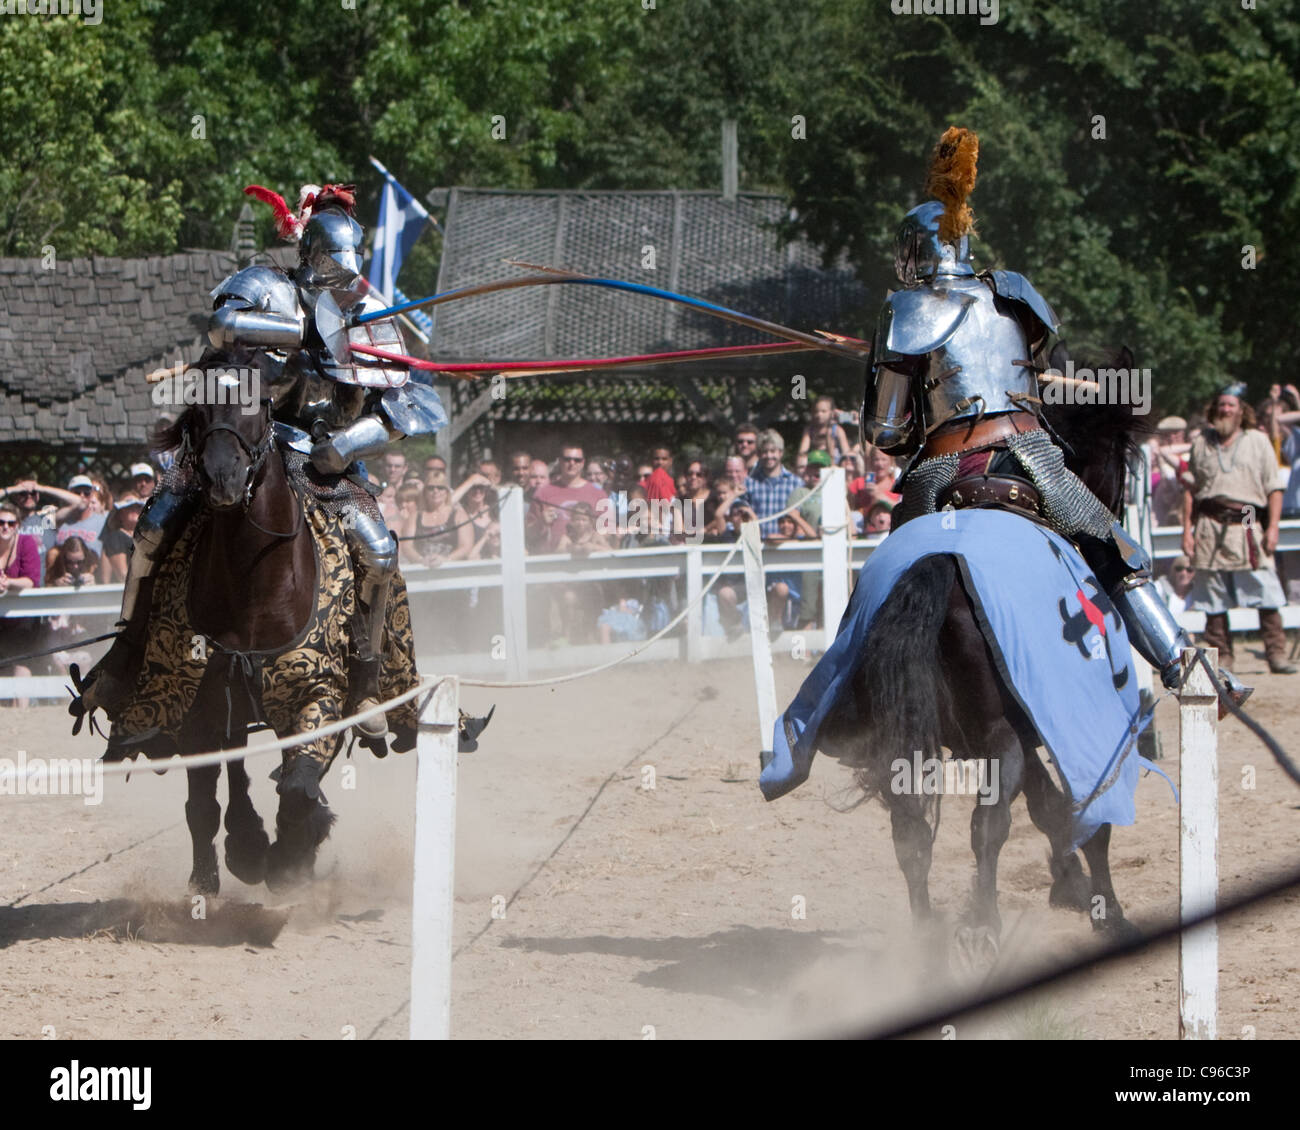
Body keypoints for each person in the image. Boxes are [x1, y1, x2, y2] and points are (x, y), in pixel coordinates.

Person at [858, 126, 1225, 698]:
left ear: (911, 254)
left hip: (944, 472)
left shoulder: (904, 312)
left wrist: (891, 366)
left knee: (882, 587)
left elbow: (884, 432)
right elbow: (1030, 373)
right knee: (1114, 549)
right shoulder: (1012, 293)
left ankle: (846, 704)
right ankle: (1186, 667)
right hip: (1027, 457)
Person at [79, 183, 449, 735]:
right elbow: (223, 327)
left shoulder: (367, 314)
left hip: (325, 462)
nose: (341, 275)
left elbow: (419, 402)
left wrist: (348, 443)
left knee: (378, 549)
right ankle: (128, 652)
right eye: (330, 261)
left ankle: (368, 682)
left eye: (348, 264)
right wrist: (306, 337)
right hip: (246, 440)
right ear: (308, 254)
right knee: (157, 522)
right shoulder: (265, 288)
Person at [1181, 384, 1295, 674]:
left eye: (1231, 405)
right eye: (1221, 404)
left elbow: (1274, 489)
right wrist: (1186, 530)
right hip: (1208, 523)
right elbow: (1191, 490)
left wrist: (1272, 529)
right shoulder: (1202, 443)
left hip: (1246, 520)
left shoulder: (1258, 440)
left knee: (1264, 588)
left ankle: (1276, 654)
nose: (1225, 410)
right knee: (1211, 594)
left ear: (1241, 410)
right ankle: (1225, 657)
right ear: (1214, 408)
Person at [530, 445, 609, 545]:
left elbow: (608, 532)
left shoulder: (599, 495)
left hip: (588, 557)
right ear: (560, 461)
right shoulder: (542, 493)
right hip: (552, 558)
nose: (572, 463)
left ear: (583, 463)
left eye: (577, 460)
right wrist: (541, 522)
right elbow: (527, 535)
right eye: (567, 459)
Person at [406, 470, 473, 567]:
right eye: (431, 488)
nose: (435, 491)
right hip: (422, 569)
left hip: (452, 570)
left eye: (440, 487)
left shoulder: (459, 515)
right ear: (425, 492)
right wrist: (420, 560)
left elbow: (466, 547)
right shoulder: (414, 517)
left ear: (447, 491)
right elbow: (407, 547)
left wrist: (446, 560)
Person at [745, 430, 801, 537]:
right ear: (759, 455)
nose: (769, 456)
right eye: (764, 452)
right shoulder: (749, 483)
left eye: (773, 451)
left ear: (781, 453)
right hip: (758, 545)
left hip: (786, 546)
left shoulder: (795, 483)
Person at [100, 495, 142, 584]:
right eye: (129, 507)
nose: (134, 509)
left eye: (138, 506)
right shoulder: (115, 537)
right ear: (120, 514)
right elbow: (123, 575)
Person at [798, 396, 853, 464]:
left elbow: (846, 452)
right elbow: (803, 450)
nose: (819, 414)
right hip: (816, 462)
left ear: (831, 412)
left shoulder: (837, 430)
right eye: (816, 411)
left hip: (836, 463)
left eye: (823, 411)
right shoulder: (810, 430)